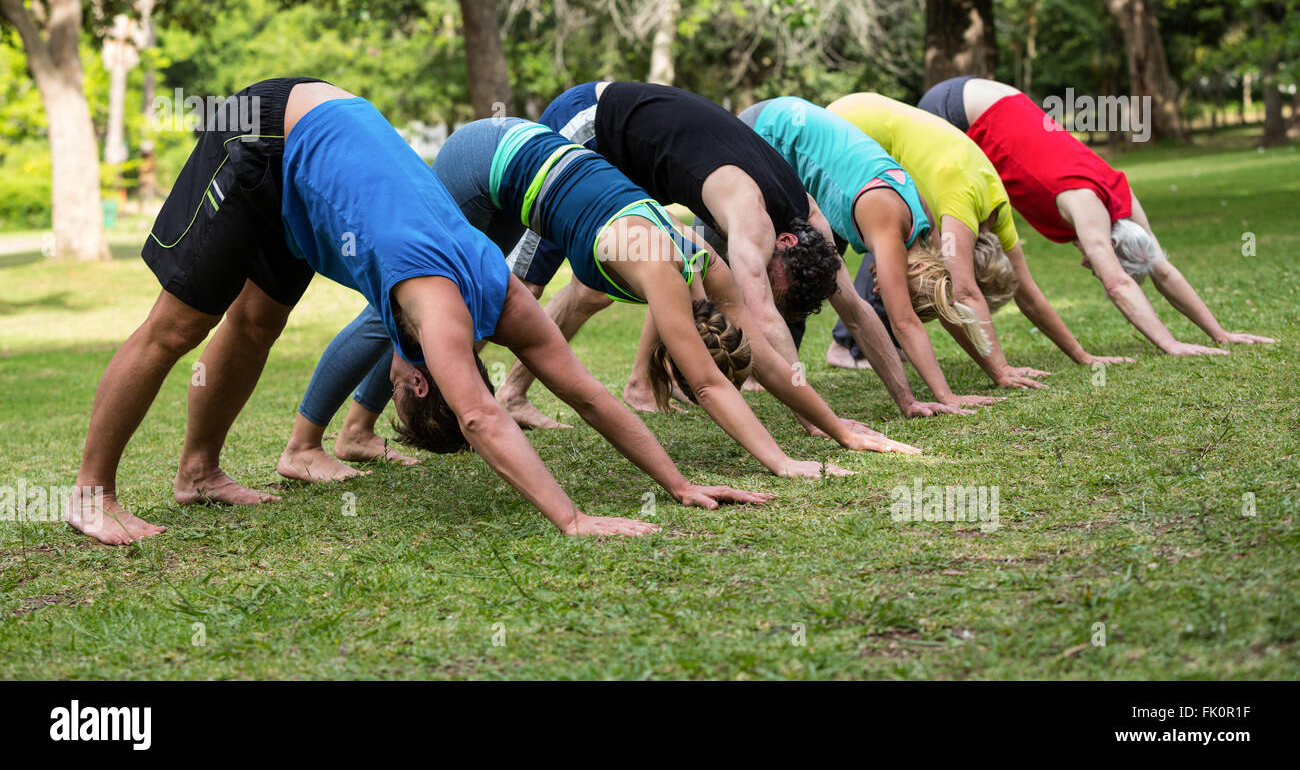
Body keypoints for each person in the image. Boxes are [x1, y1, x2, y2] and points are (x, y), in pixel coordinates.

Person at [65, 79, 740, 545]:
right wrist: (572, 518)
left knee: (257, 323)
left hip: (310, 164)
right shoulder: (448, 312)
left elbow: (587, 395)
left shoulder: (500, 299)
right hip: (269, 125)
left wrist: (679, 485)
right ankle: (90, 494)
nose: (389, 384)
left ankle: (198, 472)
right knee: (179, 325)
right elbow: (482, 412)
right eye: (397, 394)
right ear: (418, 380)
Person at [282, 117, 918, 486]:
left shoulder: (703, 261)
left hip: (528, 165)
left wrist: (837, 430)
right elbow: (709, 385)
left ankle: (363, 426)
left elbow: (761, 360)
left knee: (444, 307)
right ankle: (321, 439)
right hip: (488, 157)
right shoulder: (667, 271)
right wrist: (784, 462)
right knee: (404, 299)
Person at [496, 81, 964, 430]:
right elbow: (762, 318)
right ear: (783, 245)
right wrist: (817, 420)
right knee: (525, 282)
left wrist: (906, 399)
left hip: (634, 164)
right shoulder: (752, 222)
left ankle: (514, 394)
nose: (758, 280)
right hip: (591, 124)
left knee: (593, 289)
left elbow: (859, 313)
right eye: (771, 278)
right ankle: (453, 383)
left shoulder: (812, 225)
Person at [917, 77, 1276, 355]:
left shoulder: (1123, 200)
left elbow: (1162, 268)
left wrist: (1219, 333)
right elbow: (1118, 283)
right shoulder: (1088, 209)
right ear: (1110, 244)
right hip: (957, 109)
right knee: (916, 225)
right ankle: (878, 332)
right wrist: (1171, 344)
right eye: (1099, 261)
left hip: (993, 98)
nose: (1089, 265)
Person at [827, 92, 1132, 389]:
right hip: (852, 124)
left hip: (863, 112)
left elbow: (1028, 295)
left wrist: (1082, 355)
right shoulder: (961, 203)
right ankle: (837, 346)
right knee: (826, 248)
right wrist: (1000, 370)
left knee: (874, 241)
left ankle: (844, 343)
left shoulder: (996, 211)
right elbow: (962, 294)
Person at [739, 97, 1000, 409]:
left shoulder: (921, 225)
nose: (880, 291)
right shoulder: (889, 226)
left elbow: (944, 303)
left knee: (802, 275)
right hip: (768, 129)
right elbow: (904, 322)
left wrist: (997, 371)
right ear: (913, 271)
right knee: (721, 256)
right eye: (897, 291)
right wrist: (946, 396)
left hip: (788, 120)